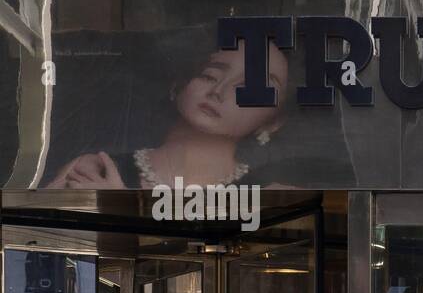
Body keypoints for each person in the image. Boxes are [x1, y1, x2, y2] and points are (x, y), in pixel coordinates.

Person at [44, 39, 290, 190]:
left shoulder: (273, 194)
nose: (218, 91)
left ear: (274, 121)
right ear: (176, 86)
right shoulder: (97, 169)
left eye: (251, 88)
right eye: (209, 75)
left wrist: (123, 212)